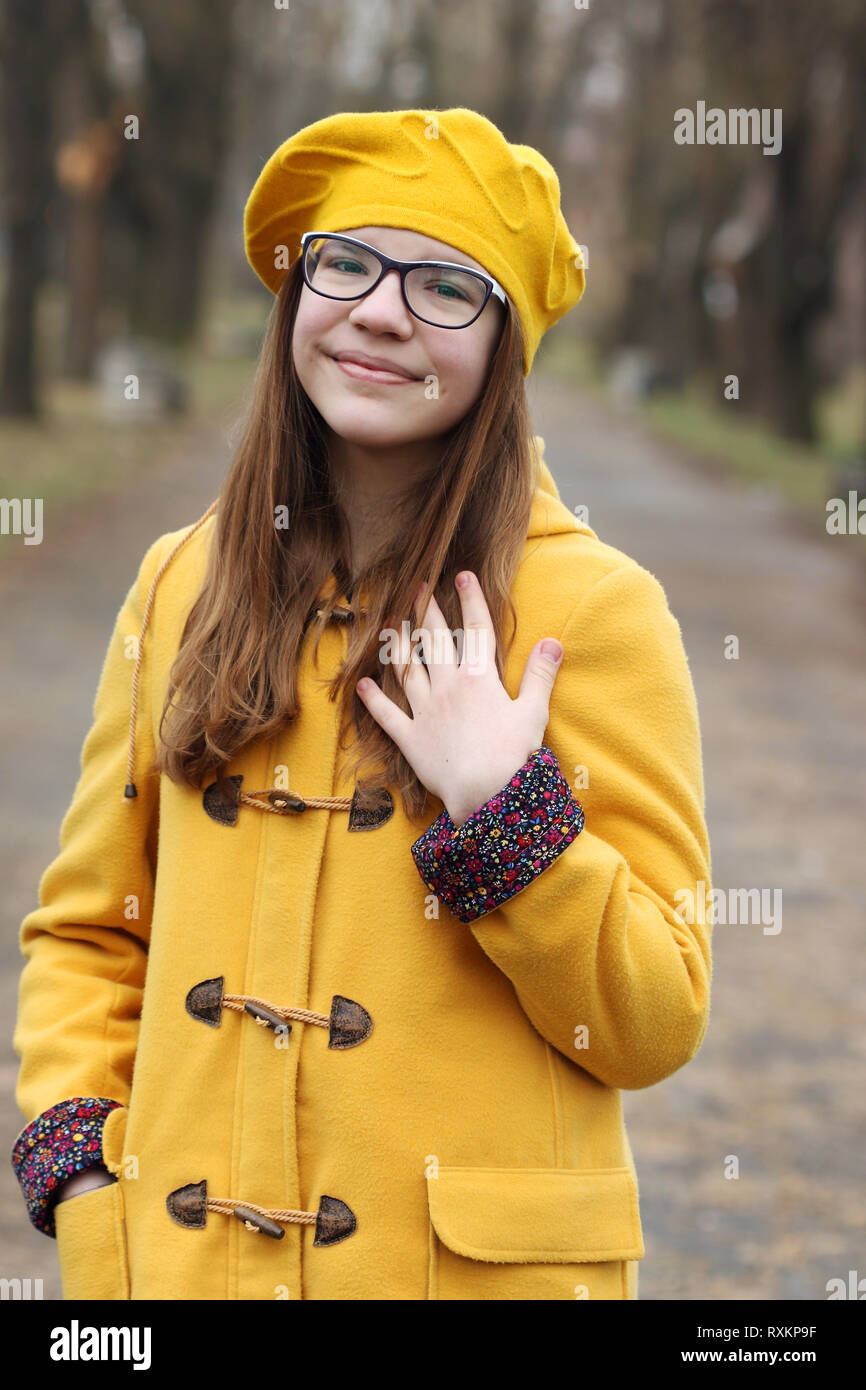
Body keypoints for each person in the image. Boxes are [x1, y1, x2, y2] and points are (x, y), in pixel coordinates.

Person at [10, 106, 713, 1301]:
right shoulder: (181, 582)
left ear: (505, 346)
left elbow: (652, 1022)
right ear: (298, 296)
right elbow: (91, 933)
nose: (381, 310)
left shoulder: (589, 610)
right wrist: (85, 1190)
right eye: (345, 263)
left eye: (446, 285)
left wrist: (504, 810)